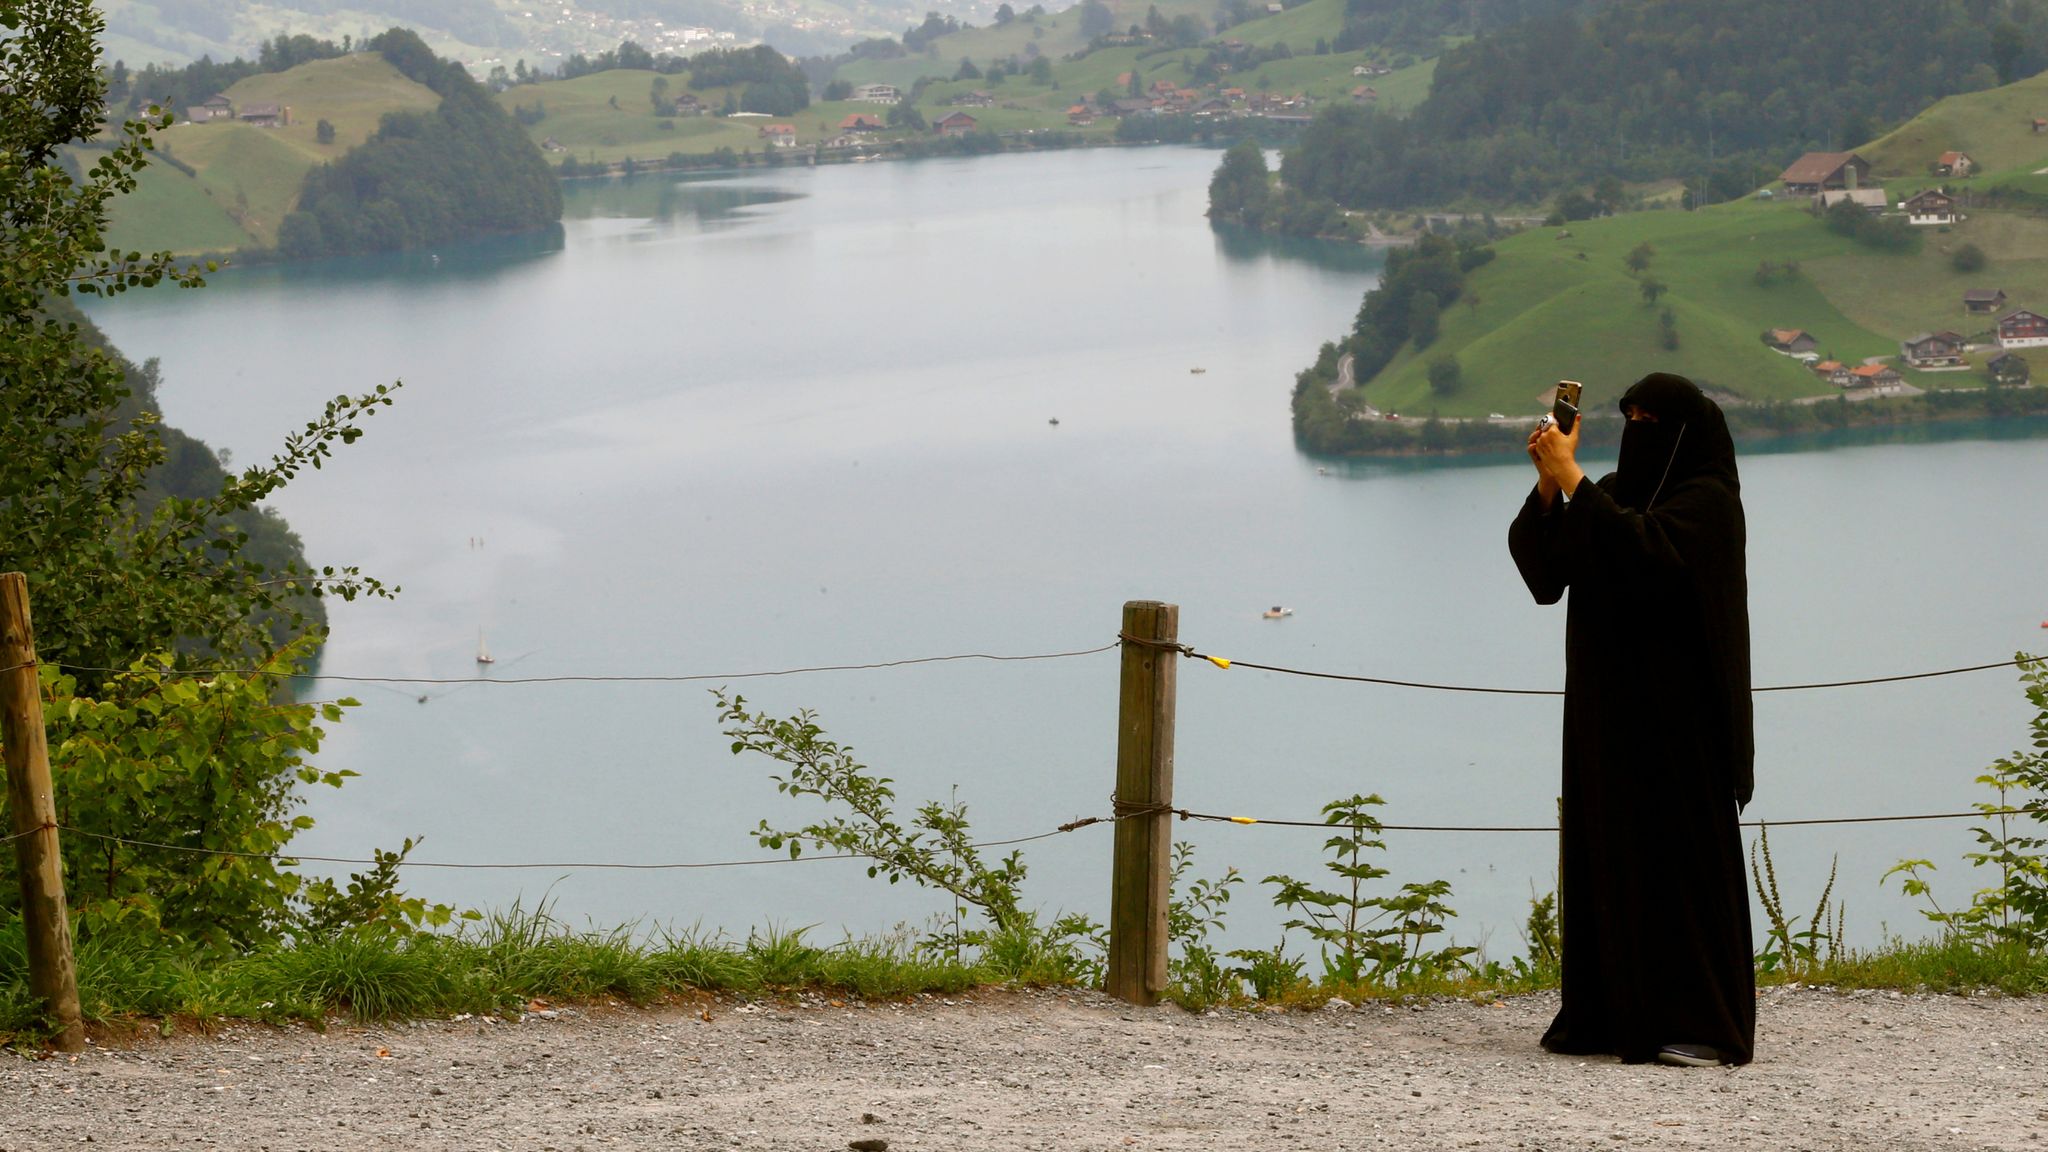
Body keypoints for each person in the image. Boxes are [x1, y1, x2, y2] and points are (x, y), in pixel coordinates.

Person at [1507, 372, 1755, 1067]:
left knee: (1680, 868)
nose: (1637, 432)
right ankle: (1609, 1013)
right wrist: (1552, 486)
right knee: (1608, 860)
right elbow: (1545, 573)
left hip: (1681, 724)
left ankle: (1706, 1025)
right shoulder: (1612, 494)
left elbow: (1649, 558)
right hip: (1607, 718)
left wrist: (1578, 484)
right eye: (1630, 417)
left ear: (1684, 433)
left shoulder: (1709, 503)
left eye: (1652, 421)